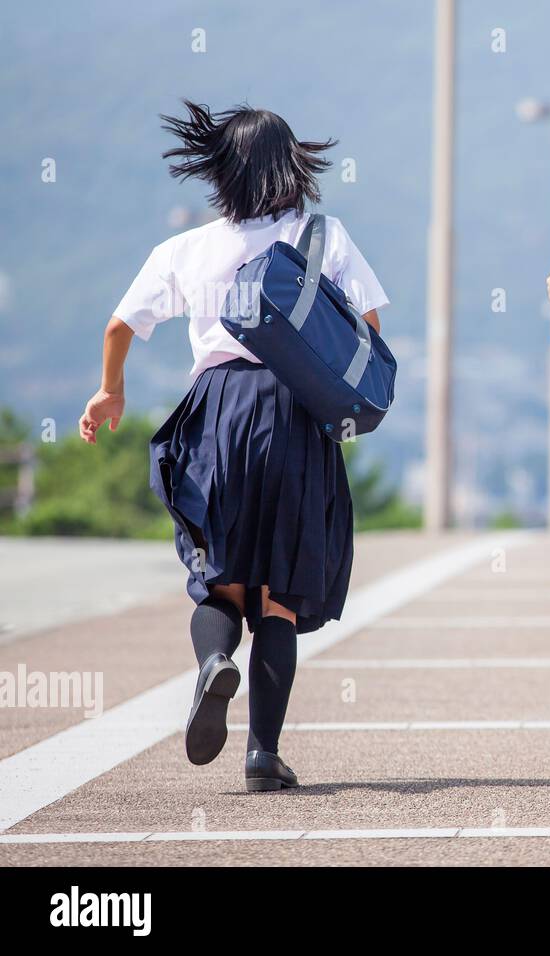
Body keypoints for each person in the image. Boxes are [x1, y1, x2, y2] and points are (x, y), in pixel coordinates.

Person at [79, 101, 389, 791]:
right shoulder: (322, 236)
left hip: (216, 411)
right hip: (296, 412)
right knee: (279, 596)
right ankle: (262, 757)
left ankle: (215, 662)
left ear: (221, 170)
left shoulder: (187, 247)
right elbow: (368, 330)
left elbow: (119, 325)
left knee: (220, 580)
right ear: (293, 164)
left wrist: (110, 392)